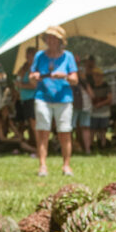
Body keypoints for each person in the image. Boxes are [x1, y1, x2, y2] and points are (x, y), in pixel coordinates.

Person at [29, 26, 78, 177]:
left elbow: (75, 80)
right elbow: (32, 79)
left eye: (54, 38)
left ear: (60, 41)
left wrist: (64, 76)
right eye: (49, 37)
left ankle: (66, 165)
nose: (51, 40)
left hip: (63, 98)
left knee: (64, 132)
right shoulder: (39, 56)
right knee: (43, 132)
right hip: (42, 97)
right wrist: (33, 77)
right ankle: (42, 165)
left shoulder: (68, 56)